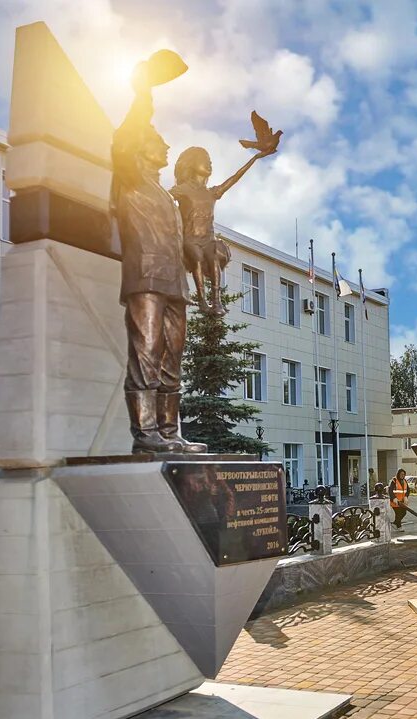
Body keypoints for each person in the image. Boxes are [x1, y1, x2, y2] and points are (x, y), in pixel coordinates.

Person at [111, 57, 206, 454]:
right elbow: (130, 131)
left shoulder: (168, 197)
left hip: (173, 285)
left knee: (172, 359)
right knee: (146, 353)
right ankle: (145, 433)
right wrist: (144, 89)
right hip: (145, 280)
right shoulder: (129, 180)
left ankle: (170, 432)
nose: (166, 145)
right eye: (159, 140)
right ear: (141, 149)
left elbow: (184, 247)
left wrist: (207, 254)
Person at [171, 144, 274, 317]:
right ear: (192, 164)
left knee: (213, 254)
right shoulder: (183, 189)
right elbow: (163, 198)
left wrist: (255, 157)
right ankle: (202, 301)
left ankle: (216, 300)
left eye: (210, 161)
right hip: (189, 239)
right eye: (205, 161)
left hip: (208, 239)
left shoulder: (212, 192)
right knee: (196, 256)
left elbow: (235, 178)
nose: (209, 164)